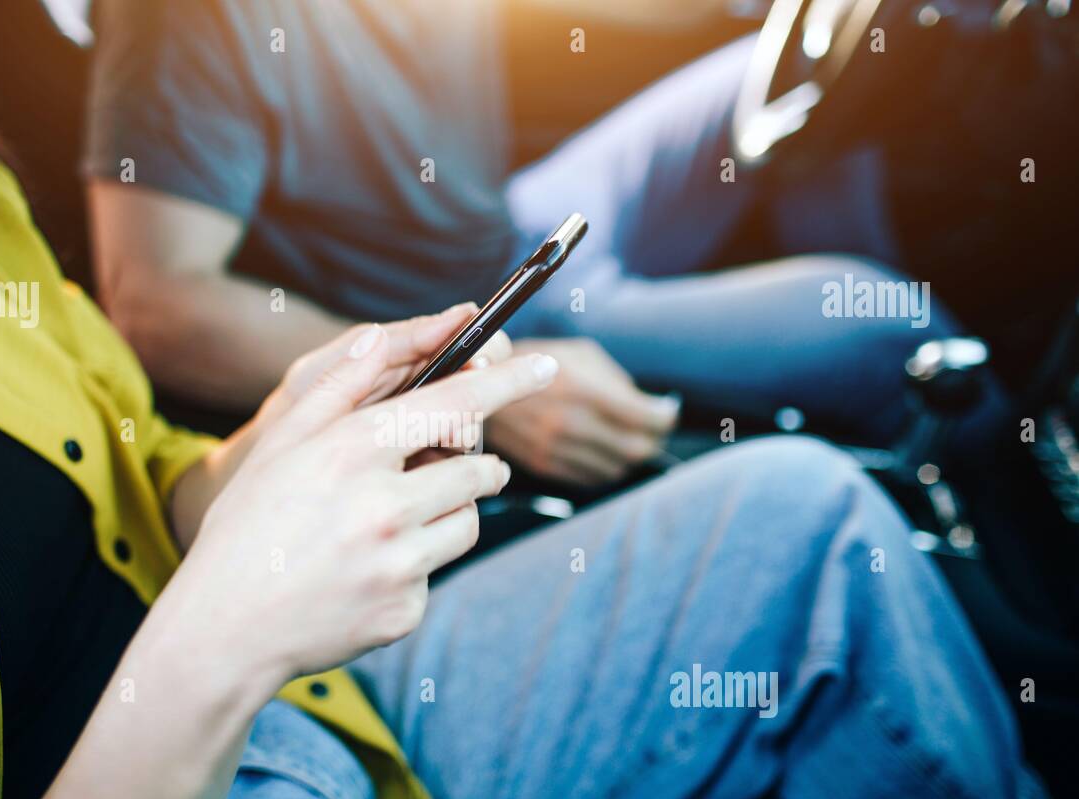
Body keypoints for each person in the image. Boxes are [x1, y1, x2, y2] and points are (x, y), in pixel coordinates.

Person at [0, 0, 1050, 799]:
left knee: (806, 510)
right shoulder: (189, 30)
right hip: (201, 792)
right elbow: (160, 301)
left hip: (324, 712)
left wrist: (265, 451)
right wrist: (223, 636)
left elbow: (144, 474)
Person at [84, 0, 971, 489]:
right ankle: (1020, 552)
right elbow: (160, 302)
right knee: (892, 327)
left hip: (530, 215)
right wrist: (473, 395)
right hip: (494, 311)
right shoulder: (186, 19)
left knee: (813, 67)